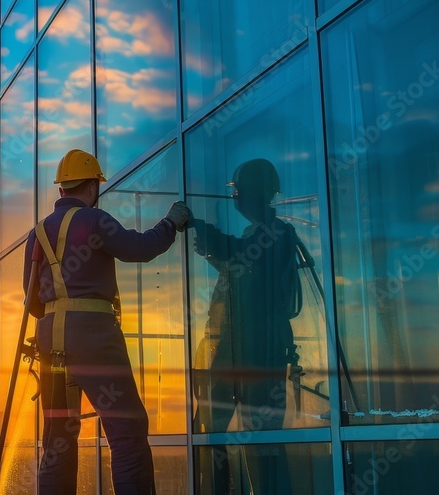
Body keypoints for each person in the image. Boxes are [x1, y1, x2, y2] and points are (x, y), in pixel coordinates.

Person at [22, 149, 191, 495]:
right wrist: (171, 223)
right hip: (93, 337)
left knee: (58, 437)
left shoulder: (37, 233)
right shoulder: (94, 221)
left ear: (62, 190)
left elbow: (31, 297)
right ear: (92, 187)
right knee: (126, 427)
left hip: (49, 339)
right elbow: (139, 248)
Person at [190, 158, 301, 494]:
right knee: (212, 429)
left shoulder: (277, 234)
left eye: (238, 192)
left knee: (257, 439)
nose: (235, 199)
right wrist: (213, 252)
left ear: (254, 194)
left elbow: (246, 260)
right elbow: (241, 273)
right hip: (243, 350)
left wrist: (201, 228)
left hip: (255, 352)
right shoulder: (268, 234)